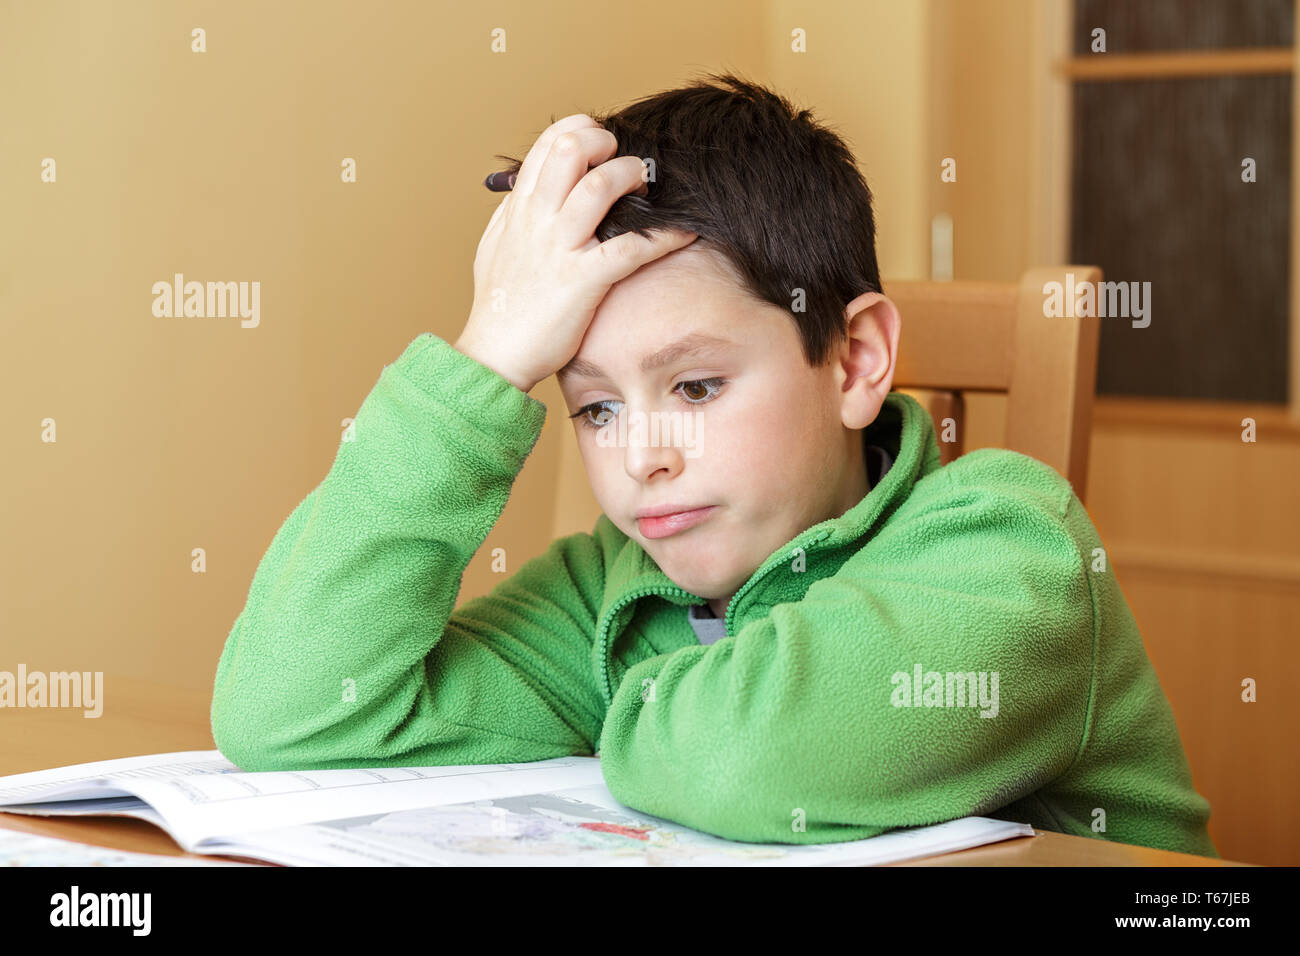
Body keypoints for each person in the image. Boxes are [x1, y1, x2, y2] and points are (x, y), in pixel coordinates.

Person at [210, 73, 1216, 856]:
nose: (643, 455)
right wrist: (485, 360)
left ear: (854, 360)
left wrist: (608, 714)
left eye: (694, 388)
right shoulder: (610, 590)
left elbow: (746, 759)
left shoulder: (1010, 547)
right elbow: (290, 709)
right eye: (595, 406)